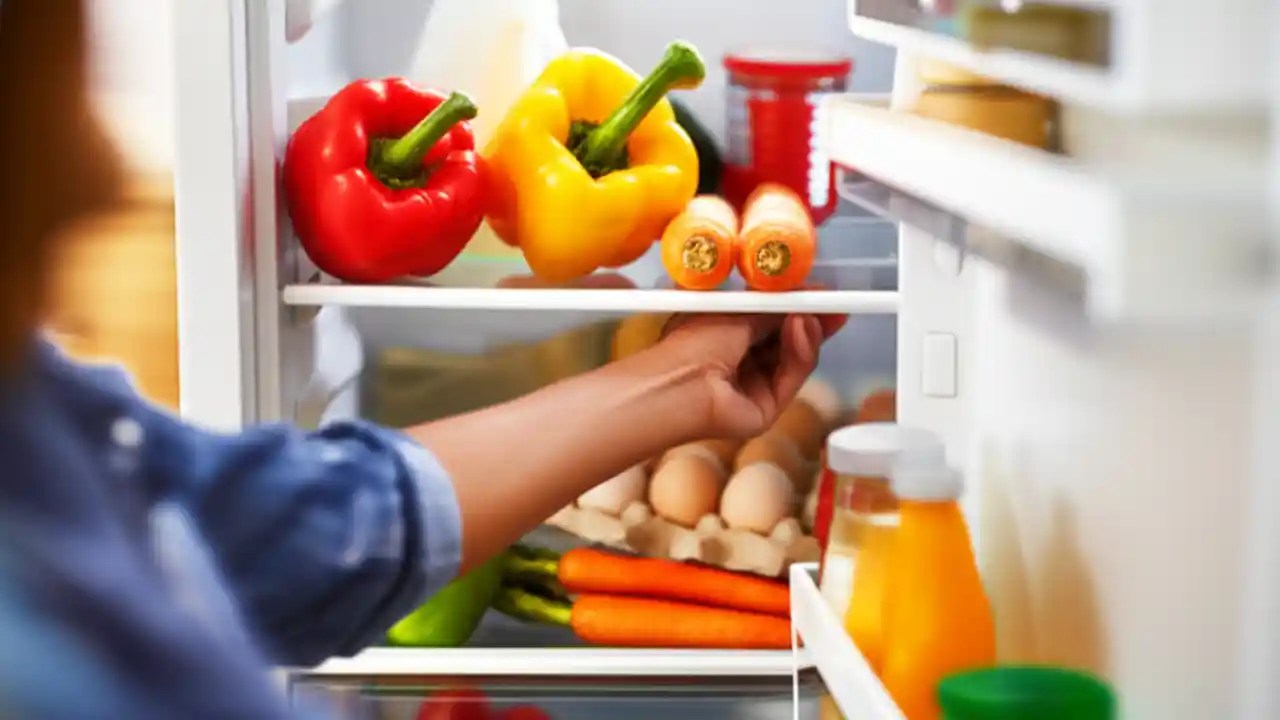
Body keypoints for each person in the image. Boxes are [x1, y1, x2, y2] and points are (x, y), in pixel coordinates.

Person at [0, 1, 845, 718]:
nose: (103, 178)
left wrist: (679, 384)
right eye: (43, 105)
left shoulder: (47, 435)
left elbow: (303, 522)